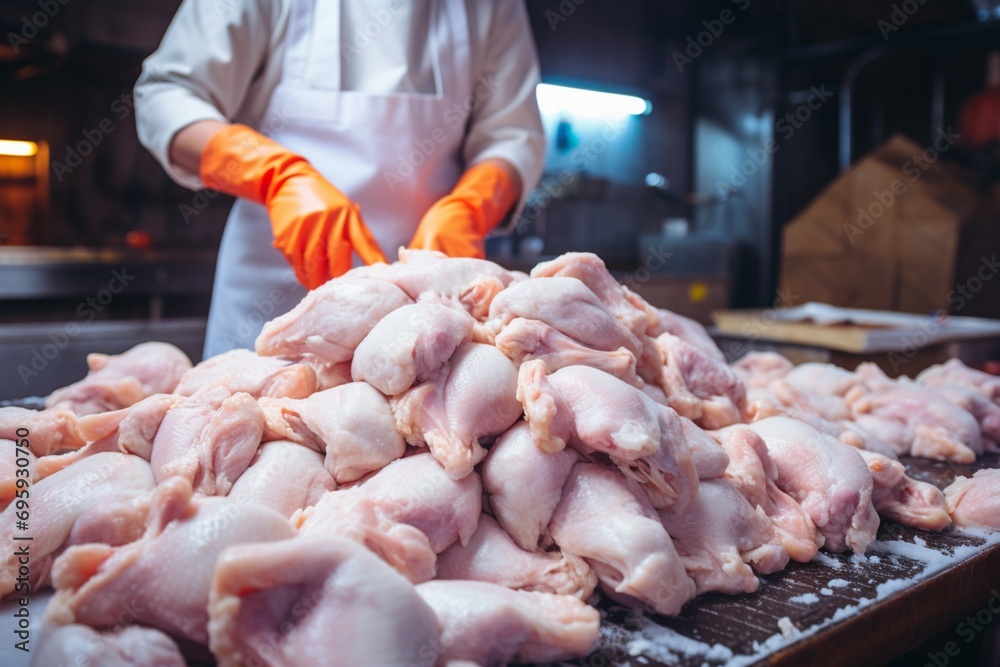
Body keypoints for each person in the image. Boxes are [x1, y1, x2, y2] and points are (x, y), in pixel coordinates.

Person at [135, 0, 545, 357]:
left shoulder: (492, 4)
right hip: (271, 309)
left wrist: (469, 208)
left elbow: (512, 135)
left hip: (431, 314)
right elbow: (167, 96)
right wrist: (277, 176)